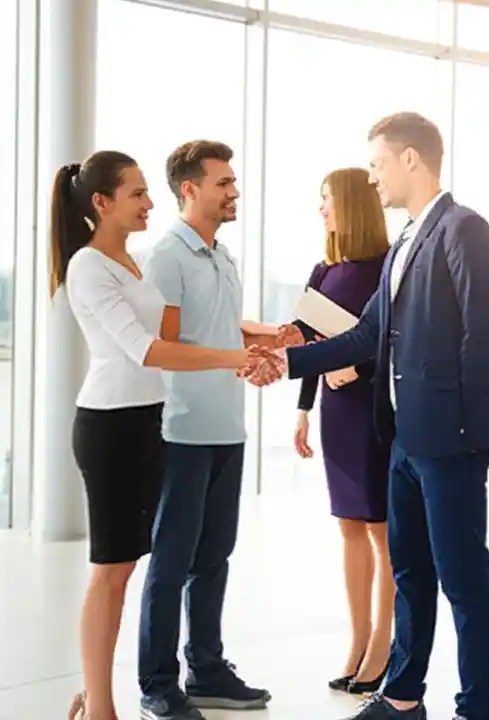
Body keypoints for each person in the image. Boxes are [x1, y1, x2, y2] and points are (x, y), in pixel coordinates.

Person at [252, 111, 489, 720]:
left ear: (411, 159)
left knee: (465, 584)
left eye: (377, 164)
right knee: (412, 577)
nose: (372, 179)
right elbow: (366, 334)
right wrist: (286, 361)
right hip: (403, 442)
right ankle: (401, 698)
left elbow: (484, 339)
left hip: (450, 444)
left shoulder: (464, 230)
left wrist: (470, 439)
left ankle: (477, 709)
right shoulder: (402, 244)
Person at [50, 151, 269, 720]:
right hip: (111, 426)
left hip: (146, 421)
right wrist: (235, 359)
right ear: (100, 204)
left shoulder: (129, 263)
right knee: (112, 570)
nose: (150, 202)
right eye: (137, 193)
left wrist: (260, 340)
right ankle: (102, 705)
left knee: (132, 567)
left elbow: (181, 327)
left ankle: (96, 696)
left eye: (149, 192)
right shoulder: (89, 267)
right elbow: (146, 349)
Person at [136, 140, 272, 719]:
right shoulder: (167, 257)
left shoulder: (222, 255)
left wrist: (266, 338)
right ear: (189, 189)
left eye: (233, 182)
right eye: (223, 183)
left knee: (215, 555)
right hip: (182, 431)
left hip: (227, 430)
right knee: (172, 561)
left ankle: (207, 669)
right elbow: (165, 346)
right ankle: (157, 685)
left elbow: (215, 328)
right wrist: (233, 357)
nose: (233, 191)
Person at [289, 167, 394, 694]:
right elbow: (310, 342)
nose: (321, 208)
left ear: (350, 203)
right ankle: (357, 640)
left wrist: (362, 366)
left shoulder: (389, 267)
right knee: (349, 526)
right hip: (335, 411)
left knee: (381, 531)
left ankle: (382, 645)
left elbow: (400, 340)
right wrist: (304, 408)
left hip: (372, 410)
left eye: (326, 197)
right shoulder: (323, 269)